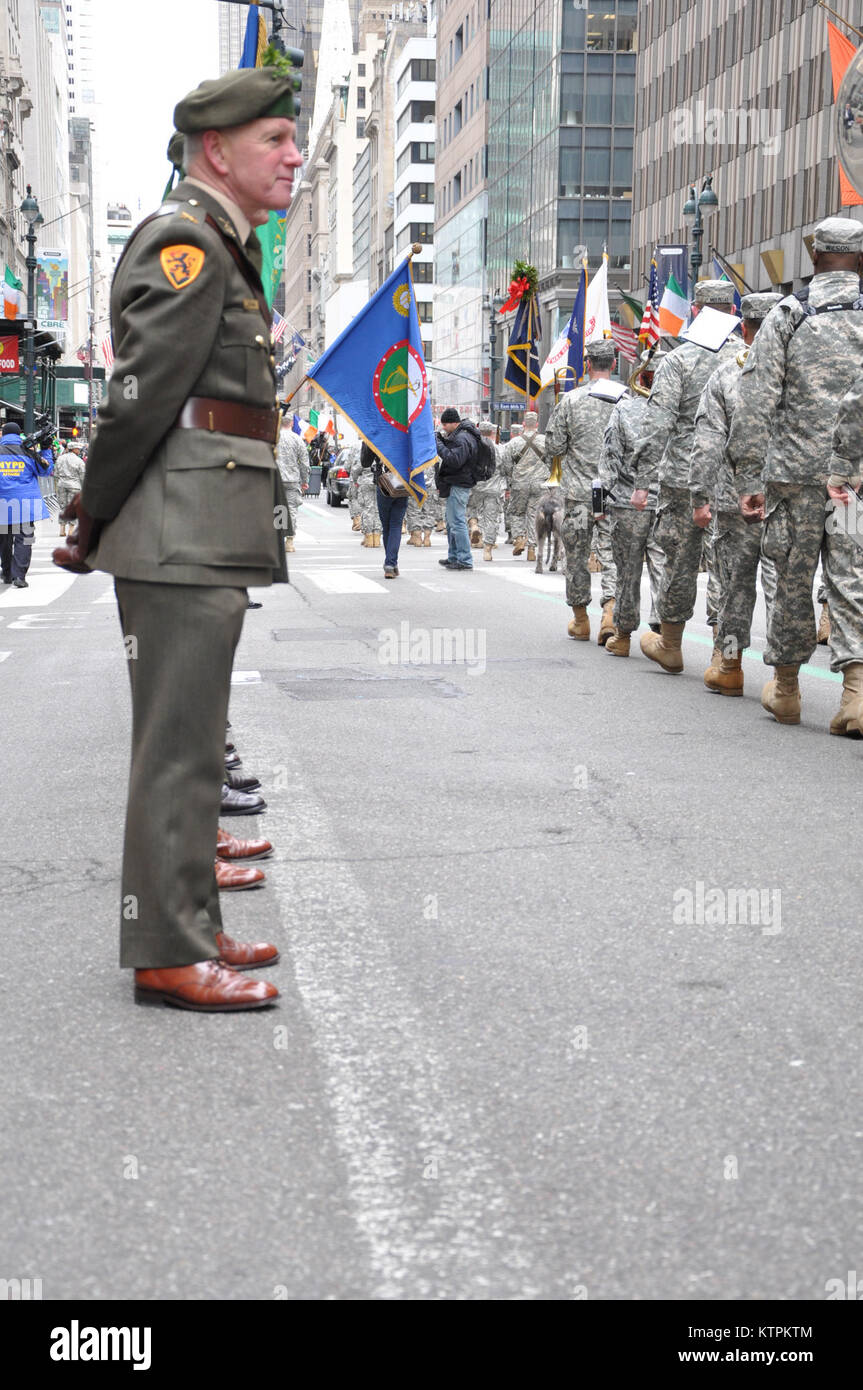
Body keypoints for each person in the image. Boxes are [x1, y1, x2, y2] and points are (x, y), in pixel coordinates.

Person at [55, 65, 304, 1011]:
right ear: (217, 150)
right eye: (274, 140)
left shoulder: (219, 243)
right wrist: (94, 518)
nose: (291, 155)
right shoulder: (186, 243)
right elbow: (140, 398)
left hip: (203, 521)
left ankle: (190, 923)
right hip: (178, 524)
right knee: (177, 744)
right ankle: (165, 951)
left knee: (193, 740)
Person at [727, 216, 863, 729]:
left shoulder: (788, 313)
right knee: (852, 578)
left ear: (814, 258)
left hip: (793, 481)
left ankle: (786, 690)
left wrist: (747, 480)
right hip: (851, 485)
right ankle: (856, 696)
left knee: (791, 578)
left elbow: (755, 401)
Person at [631, 279, 742, 673]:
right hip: (734, 481)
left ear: (695, 311)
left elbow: (658, 425)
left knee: (680, 563)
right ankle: (725, 658)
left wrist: (642, 482)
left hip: (681, 477)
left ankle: (671, 644)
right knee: (728, 571)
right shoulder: (748, 358)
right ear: (732, 312)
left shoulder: (678, 360)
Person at [688, 292, 781, 694]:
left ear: (743, 328)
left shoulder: (726, 376)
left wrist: (699, 497)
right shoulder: (798, 373)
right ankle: (785, 679)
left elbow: (707, 443)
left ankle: (729, 664)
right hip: (787, 498)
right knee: (784, 585)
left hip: (733, 500)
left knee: (733, 585)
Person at [545, 339, 621, 642]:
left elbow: (553, 446)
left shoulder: (572, 400)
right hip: (614, 493)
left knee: (576, 556)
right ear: (613, 365)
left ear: (588, 364)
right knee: (613, 554)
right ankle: (610, 612)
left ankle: (580, 620)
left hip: (579, 493)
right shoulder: (626, 399)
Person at [599, 348, 667, 655]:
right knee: (665, 569)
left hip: (628, 503)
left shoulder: (625, 410)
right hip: (668, 502)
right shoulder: (679, 411)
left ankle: (623, 636)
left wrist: (599, 502)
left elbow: (609, 458)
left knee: (627, 571)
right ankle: (665, 632)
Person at [0, 420, 54, 588]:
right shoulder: (27, 452)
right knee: (25, 538)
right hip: (24, 504)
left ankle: (7, 573)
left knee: (4, 538)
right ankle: (20, 576)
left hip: (3, 502)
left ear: (3, 434)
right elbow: (45, 470)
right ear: (18, 435)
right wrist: (45, 450)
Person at [435, 407, 481, 570]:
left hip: (459, 483)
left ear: (454, 423)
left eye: (445, 425)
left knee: (457, 521)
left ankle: (464, 559)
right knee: (451, 522)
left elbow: (455, 460)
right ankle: (454, 556)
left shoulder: (462, 438)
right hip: (456, 482)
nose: (444, 428)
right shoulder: (461, 435)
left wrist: (439, 444)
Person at [501, 410, 548, 561]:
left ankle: (519, 538)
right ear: (537, 425)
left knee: (516, 512)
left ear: (523, 425)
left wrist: (511, 478)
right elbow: (553, 461)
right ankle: (532, 549)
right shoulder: (545, 441)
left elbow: (506, 464)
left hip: (520, 483)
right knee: (535, 515)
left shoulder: (514, 443)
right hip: (540, 484)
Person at [362, 440, 410, 578]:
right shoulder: (405, 433)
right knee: (396, 524)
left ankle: (390, 563)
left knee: (387, 525)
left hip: (384, 483)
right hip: (403, 481)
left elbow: (365, 462)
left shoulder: (378, 435)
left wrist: (366, 441)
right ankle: (391, 563)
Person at [276, 409, 309, 552]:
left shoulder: (274, 437)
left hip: (277, 478)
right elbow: (304, 462)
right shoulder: (297, 439)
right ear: (291, 424)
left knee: (278, 508)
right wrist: (305, 480)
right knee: (292, 509)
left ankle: (279, 539)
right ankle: (290, 541)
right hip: (292, 479)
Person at [471, 419, 505, 561]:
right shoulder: (500, 449)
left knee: (471, 509)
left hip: (476, 487)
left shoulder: (473, 447)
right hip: (494, 489)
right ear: (492, 432)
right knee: (491, 519)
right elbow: (506, 469)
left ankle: (474, 526)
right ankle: (487, 550)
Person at [53, 441, 87, 537]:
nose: (79, 451)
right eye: (78, 449)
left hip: (61, 485)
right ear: (74, 449)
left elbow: (55, 474)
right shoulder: (79, 461)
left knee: (63, 507)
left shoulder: (60, 459)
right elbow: (83, 476)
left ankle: (62, 529)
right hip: (75, 486)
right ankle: (71, 530)